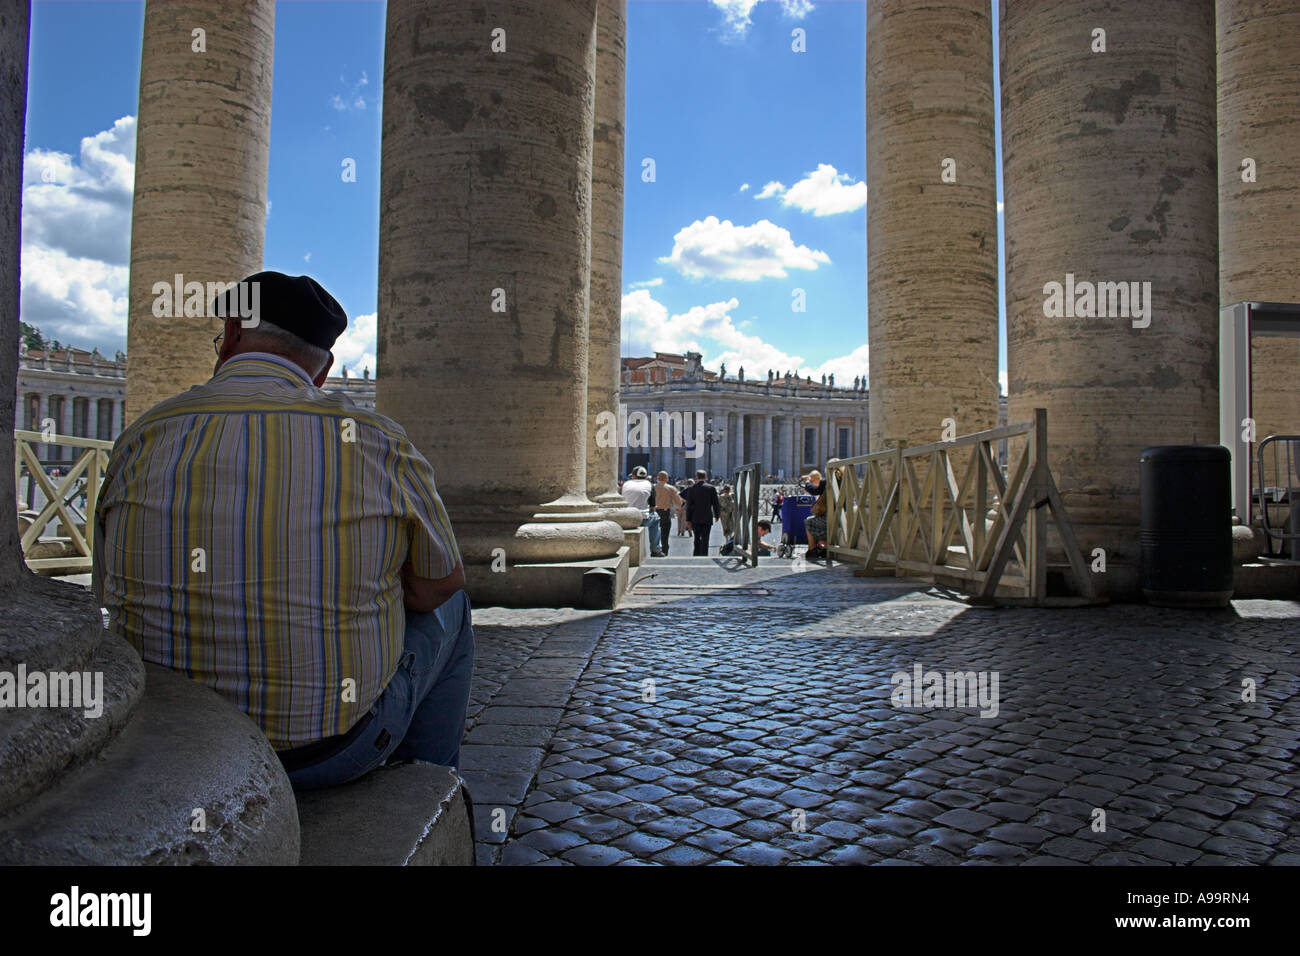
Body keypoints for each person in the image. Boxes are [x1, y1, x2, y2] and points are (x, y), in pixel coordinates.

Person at [93, 272, 473, 790]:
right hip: (323, 753)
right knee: (454, 608)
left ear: (229, 334)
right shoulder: (376, 440)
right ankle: (430, 789)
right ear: (324, 370)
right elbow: (438, 586)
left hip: (169, 741)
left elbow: (106, 584)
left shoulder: (142, 434)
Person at [621, 466, 664, 557]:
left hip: (626, 516)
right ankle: (655, 549)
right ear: (645, 476)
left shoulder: (625, 484)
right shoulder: (650, 485)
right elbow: (652, 507)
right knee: (656, 519)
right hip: (642, 519)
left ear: (633, 476)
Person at [682, 469, 721, 556]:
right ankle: (704, 554)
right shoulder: (711, 488)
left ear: (696, 478)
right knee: (705, 538)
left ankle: (696, 554)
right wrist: (717, 514)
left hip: (695, 517)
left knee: (696, 537)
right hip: (707, 517)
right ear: (706, 477)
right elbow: (715, 503)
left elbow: (688, 505)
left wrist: (688, 519)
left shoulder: (691, 489)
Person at [652, 470, 684, 556]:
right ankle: (664, 551)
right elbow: (678, 502)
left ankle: (654, 550)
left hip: (654, 512)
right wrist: (679, 508)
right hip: (665, 512)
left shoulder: (652, 487)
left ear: (658, 478)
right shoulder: (670, 488)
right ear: (666, 479)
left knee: (654, 532)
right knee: (665, 534)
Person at [805, 487, 829, 560]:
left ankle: (812, 548)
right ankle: (823, 546)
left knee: (809, 521)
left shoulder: (827, 485)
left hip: (831, 520)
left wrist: (807, 483)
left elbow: (815, 509)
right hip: (842, 518)